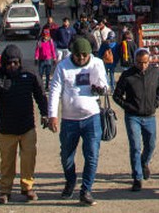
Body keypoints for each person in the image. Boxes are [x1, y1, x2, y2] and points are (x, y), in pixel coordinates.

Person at [0, 44, 50, 204]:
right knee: (7, 162)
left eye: (15, 63)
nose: (12, 66)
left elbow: (40, 95)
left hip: (27, 126)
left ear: (20, 62)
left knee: (29, 159)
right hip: (6, 128)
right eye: (9, 63)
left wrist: (45, 114)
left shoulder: (29, 73)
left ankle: (27, 187)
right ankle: (5, 191)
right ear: (3, 63)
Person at [48, 37, 109, 206]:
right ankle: (70, 180)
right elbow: (54, 91)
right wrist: (52, 115)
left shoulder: (97, 63)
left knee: (92, 155)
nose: (81, 58)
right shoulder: (63, 66)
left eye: (84, 55)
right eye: (78, 55)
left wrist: (101, 87)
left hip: (92, 117)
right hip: (70, 120)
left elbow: (105, 85)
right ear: (72, 54)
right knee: (66, 156)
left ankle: (86, 190)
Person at [112, 47, 159, 192]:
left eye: (145, 62)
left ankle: (144, 162)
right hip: (133, 117)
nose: (143, 65)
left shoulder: (155, 73)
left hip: (149, 116)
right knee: (135, 146)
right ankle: (137, 177)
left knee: (151, 144)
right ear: (135, 61)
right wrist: (128, 107)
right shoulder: (127, 76)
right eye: (140, 62)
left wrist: (156, 103)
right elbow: (116, 96)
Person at [34, 27, 57, 92]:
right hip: (41, 60)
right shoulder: (40, 42)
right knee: (40, 74)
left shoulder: (50, 42)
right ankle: (40, 86)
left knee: (48, 74)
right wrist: (36, 58)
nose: (45, 37)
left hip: (48, 60)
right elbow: (37, 51)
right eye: (44, 36)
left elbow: (53, 50)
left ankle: (47, 86)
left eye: (47, 36)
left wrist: (54, 58)